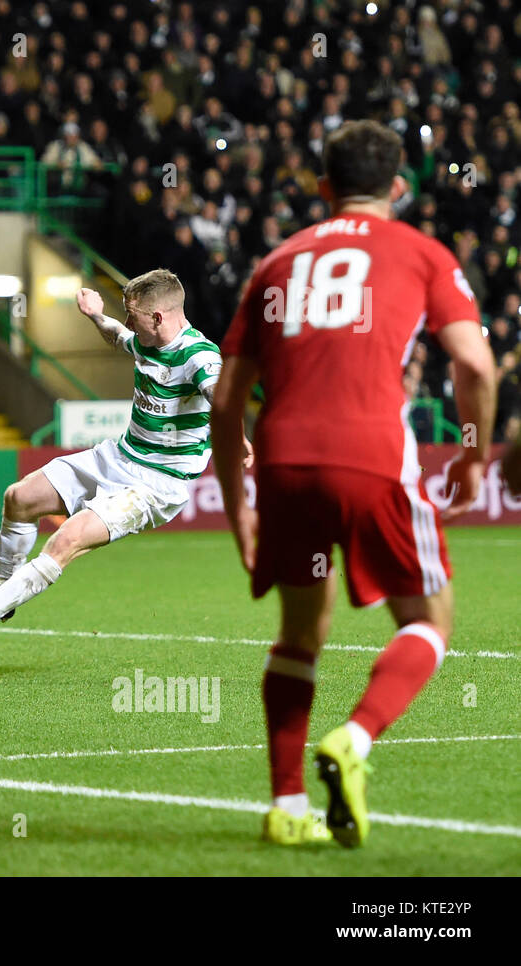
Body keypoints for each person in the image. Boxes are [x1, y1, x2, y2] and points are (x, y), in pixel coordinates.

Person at [210, 120, 497, 847]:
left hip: (282, 460)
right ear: (398, 187)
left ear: (323, 188)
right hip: (371, 454)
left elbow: (225, 398)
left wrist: (239, 507)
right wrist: (470, 453)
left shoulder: (276, 261)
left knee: (300, 635)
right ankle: (355, 740)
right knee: (429, 621)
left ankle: (286, 808)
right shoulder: (421, 251)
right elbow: (475, 366)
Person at [0, 271, 252, 645]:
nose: (127, 321)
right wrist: (94, 315)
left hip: (156, 485)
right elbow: (118, 336)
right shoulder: (146, 338)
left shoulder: (198, 355)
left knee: (66, 540)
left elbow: (224, 397)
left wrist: (237, 439)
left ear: (158, 317)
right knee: (19, 497)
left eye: (133, 314)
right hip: (117, 456)